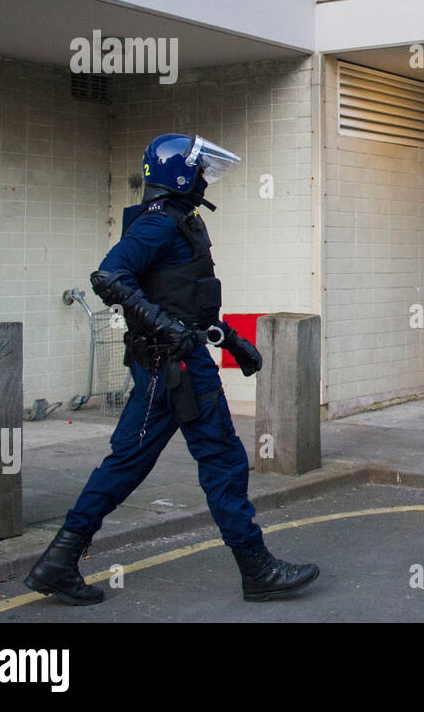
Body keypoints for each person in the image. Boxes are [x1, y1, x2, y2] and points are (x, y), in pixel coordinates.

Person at [25, 134, 319, 605]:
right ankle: (257, 569)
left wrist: (232, 341)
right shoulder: (159, 224)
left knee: (127, 463)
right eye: (198, 170)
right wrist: (165, 326)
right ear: (179, 174)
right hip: (174, 368)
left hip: (170, 364)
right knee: (221, 461)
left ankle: (59, 562)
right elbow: (108, 277)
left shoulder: (182, 223)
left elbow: (187, 304)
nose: (205, 178)